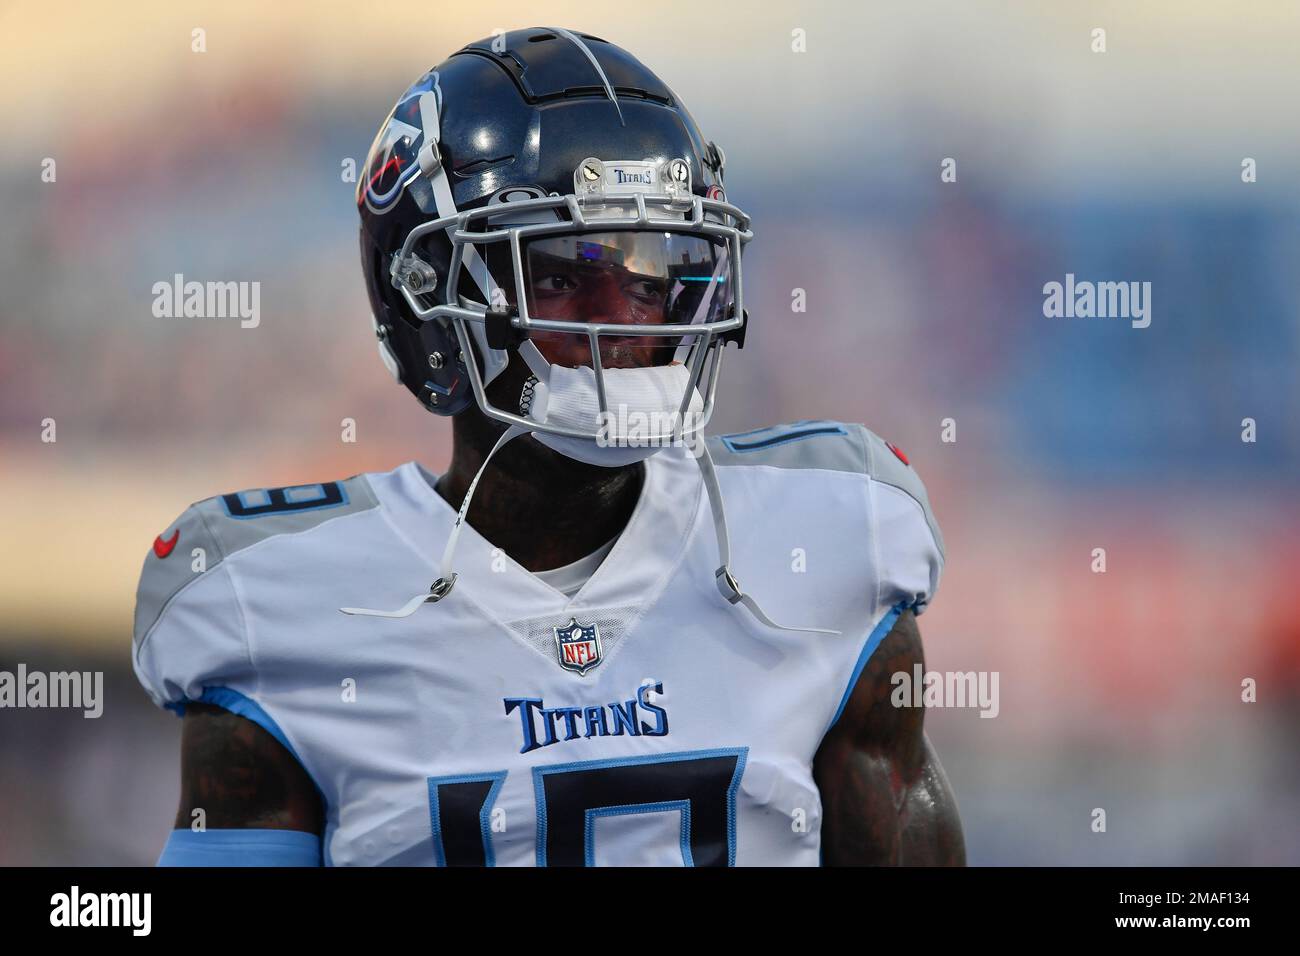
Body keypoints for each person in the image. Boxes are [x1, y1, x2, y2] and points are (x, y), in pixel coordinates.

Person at [133, 27, 964, 866]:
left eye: (651, 277)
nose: (624, 325)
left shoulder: (826, 543)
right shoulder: (281, 607)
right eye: (563, 275)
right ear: (430, 301)